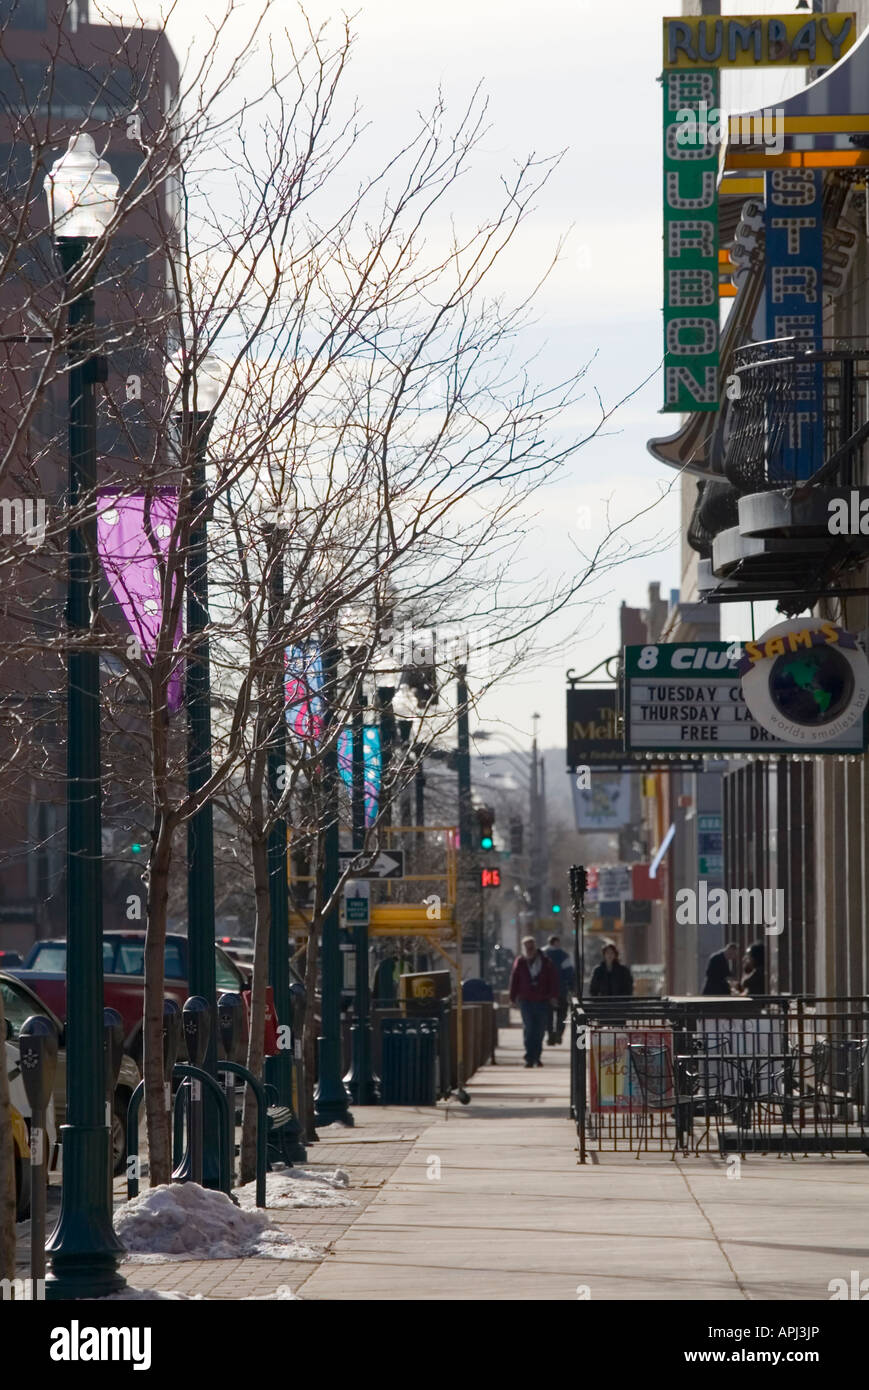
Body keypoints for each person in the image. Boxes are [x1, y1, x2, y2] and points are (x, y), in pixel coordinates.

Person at [509, 935, 559, 1067]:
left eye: (531, 946)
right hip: (526, 1001)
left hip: (542, 1000)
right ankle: (529, 1057)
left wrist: (553, 996)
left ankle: (537, 1056)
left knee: (540, 1030)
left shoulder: (545, 961)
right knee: (529, 1028)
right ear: (523, 948)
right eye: (526, 947)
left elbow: (553, 980)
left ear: (535, 946)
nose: (529, 949)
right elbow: (514, 980)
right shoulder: (520, 962)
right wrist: (512, 998)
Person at [543, 935, 575, 1045]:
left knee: (548, 1015)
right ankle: (558, 1034)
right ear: (557, 943)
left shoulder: (543, 954)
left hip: (546, 991)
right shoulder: (563, 955)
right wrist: (571, 987)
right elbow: (569, 972)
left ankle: (550, 1035)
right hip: (561, 989)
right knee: (562, 1015)